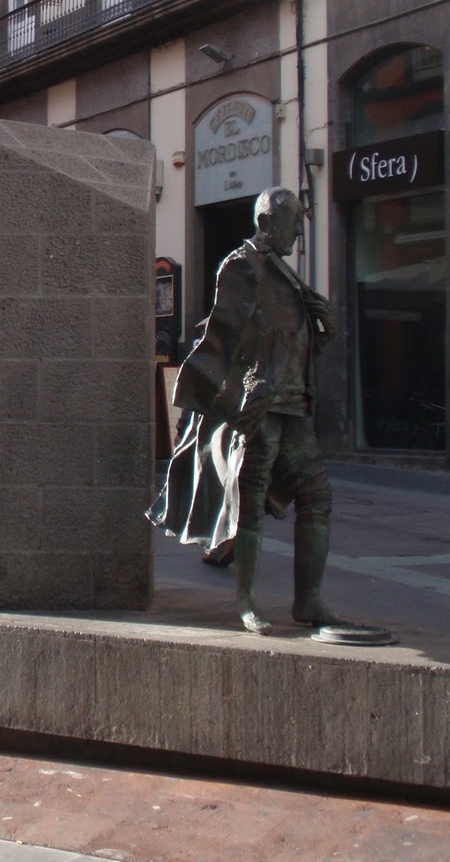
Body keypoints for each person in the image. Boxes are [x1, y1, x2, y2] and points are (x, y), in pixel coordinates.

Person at [147, 187, 349, 635]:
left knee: (318, 497)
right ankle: (247, 601)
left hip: (294, 405)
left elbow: (293, 340)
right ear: (265, 224)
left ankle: (309, 601)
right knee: (249, 507)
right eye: (292, 221)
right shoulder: (242, 267)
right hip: (259, 409)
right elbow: (221, 341)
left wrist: (326, 327)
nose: (299, 228)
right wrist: (239, 395)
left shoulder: (285, 273)